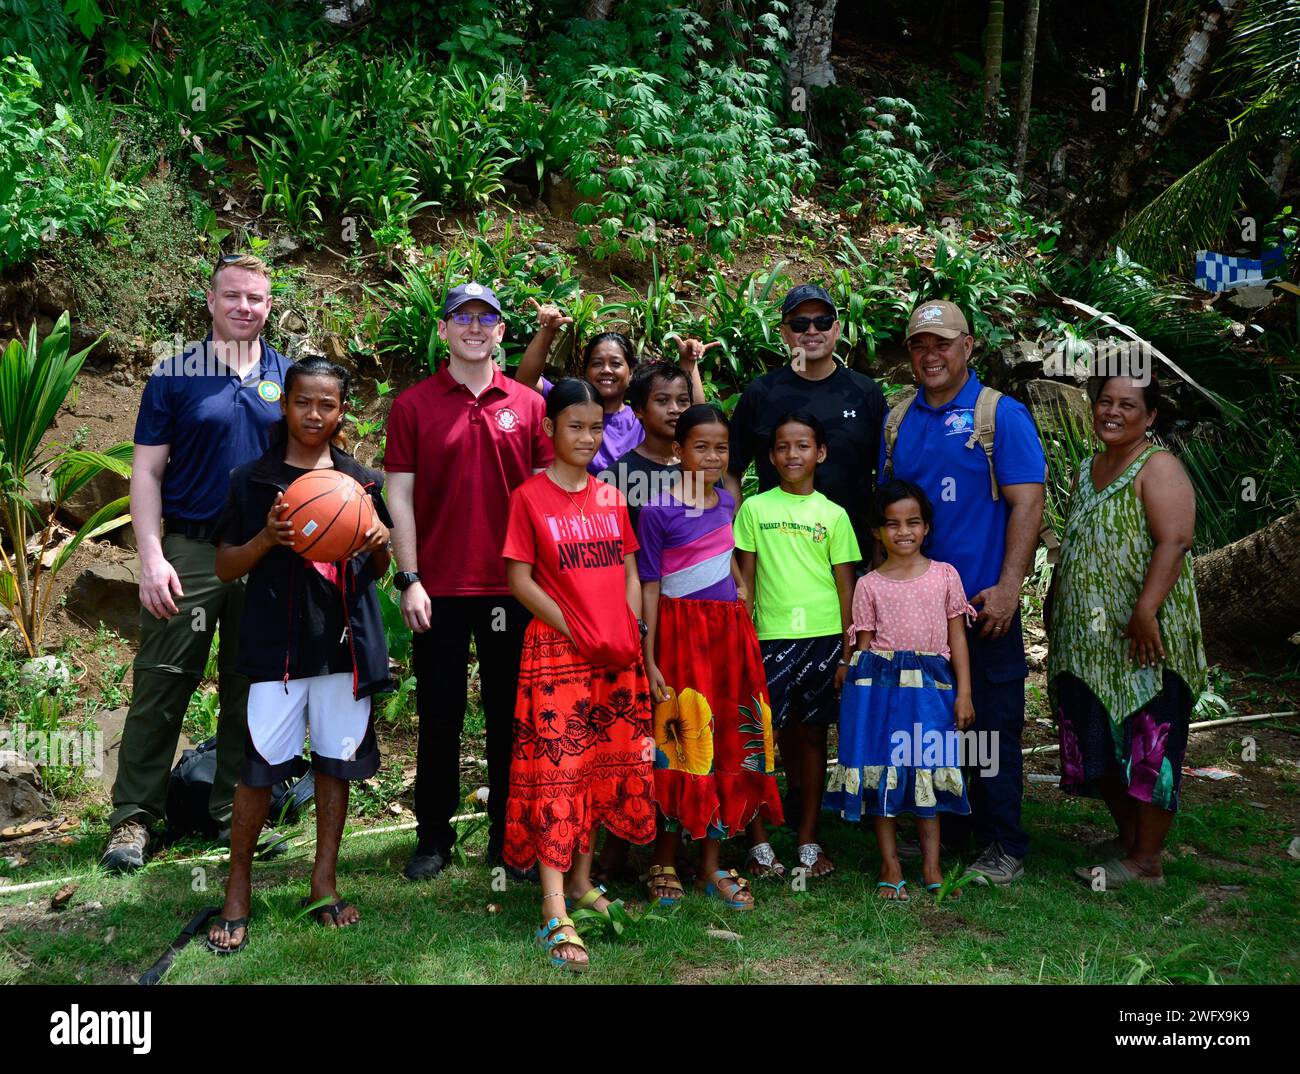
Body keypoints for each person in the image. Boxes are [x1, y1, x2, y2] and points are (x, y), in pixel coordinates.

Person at [102, 253, 291, 872]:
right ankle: (133, 819)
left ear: (269, 306)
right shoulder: (174, 374)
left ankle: (230, 817)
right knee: (162, 682)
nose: (244, 308)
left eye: (256, 299)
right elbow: (148, 472)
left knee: (251, 690)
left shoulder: (287, 378)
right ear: (210, 301)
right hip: (191, 549)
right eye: (233, 296)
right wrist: (151, 557)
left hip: (264, 552)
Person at [206, 358, 391, 952]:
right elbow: (224, 565)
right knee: (259, 766)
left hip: (343, 644)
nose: (315, 414)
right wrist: (266, 539)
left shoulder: (361, 483)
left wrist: (380, 545)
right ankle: (238, 888)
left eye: (328, 404)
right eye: (303, 401)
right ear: (284, 404)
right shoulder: (251, 479)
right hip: (276, 646)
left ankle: (324, 882)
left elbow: (376, 572)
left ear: (342, 413)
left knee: (336, 763)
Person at [384, 282, 552, 882]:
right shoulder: (413, 405)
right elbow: (397, 497)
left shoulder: (528, 406)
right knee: (440, 714)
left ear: (502, 332)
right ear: (444, 329)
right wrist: (410, 578)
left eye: (487, 318)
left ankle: (511, 837)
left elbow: (543, 498)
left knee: (514, 716)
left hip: (514, 588)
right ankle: (434, 837)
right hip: (441, 587)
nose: (475, 327)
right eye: (463, 317)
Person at [882, 300, 1046, 885]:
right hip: (915, 611)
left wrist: (1008, 587)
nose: (931, 355)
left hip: (982, 607)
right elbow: (890, 512)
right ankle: (948, 828)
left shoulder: (999, 415)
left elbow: (1028, 502)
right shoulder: (897, 420)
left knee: (992, 724)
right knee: (930, 721)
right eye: (920, 345)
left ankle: (1003, 843)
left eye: (943, 343)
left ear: (968, 346)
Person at [501, 378, 655, 970]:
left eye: (596, 427)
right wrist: (575, 627)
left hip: (613, 657)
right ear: (550, 429)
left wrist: (630, 634)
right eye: (575, 426)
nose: (587, 437)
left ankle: (585, 885)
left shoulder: (612, 498)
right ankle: (552, 905)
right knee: (556, 772)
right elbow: (520, 581)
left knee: (594, 769)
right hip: (556, 654)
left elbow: (630, 575)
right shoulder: (528, 498)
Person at [1047, 375, 1206, 890]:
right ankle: (1129, 839)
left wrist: (1145, 611)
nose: (1112, 412)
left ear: (1151, 415)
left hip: (1144, 644)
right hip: (1089, 648)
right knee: (1098, 743)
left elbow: (1175, 540)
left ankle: (1147, 861)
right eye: (1105, 402)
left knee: (1148, 745)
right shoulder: (1086, 469)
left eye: (1128, 405)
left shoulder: (1157, 466)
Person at [638, 404, 783, 909]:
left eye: (720, 447)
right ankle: (664, 859)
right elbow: (650, 586)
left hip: (727, 636)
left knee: (724, 737)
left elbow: (729, 560)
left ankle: (712, 863)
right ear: (677, 451)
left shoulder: (728, 501)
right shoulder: (656, 508)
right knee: (680, 740)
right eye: (699, 446)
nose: (711, 456)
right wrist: (650, 656)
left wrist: (740, 589)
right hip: (679, 636)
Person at [825, 480, 974, 900]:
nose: (902, 532)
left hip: (930, 688)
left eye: (913, 522)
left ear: (927, 527)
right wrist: (853, 690)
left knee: (925, 765)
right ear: (877, 531)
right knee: (881, 769)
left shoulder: (946, 576)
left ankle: (931, 864)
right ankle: (890, 862)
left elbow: (957, 638)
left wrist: (964, 693)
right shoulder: (869, 584)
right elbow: (863, 645)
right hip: (878, 688)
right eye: (891, 524)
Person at [734, 412, 859, 879]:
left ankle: (808, 837)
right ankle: (758, 842)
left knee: (811, 738)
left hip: (823, 640)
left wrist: (847, 653)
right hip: (767, 639)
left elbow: (846, 588)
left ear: (819, 454)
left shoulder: (834, 515)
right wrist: (740, 638)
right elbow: (743, 583)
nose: (792, 454)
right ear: (770, 456)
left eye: (803, 446)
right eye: (783, 446)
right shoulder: (753, 509)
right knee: (760, 739)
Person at [726, 284, 886, 558]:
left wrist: (882, 543)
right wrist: (738, 534)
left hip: (853, 551)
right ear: (785, 333)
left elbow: (886, 472)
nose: (812, 331)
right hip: (777, 552)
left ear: (836, 329)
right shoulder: (761, 394)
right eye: (800, 324)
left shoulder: (865, 393)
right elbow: (730, 468)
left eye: (822, 322)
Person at [515, 299, 708, 475]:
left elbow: (696, 420)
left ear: (631, 371)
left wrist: (689, 363)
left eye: (615, 364)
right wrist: (547, 331)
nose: (606, 370)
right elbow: (526, 383)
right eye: (597, 363)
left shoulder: (643, 416)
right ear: (585, 371)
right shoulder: (568, 405)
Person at [603, 360, 691, 528]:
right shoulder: (617, 477)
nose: (675, 409)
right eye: (662, 400)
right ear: (638, 410)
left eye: (683, 401)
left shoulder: (701, 466)